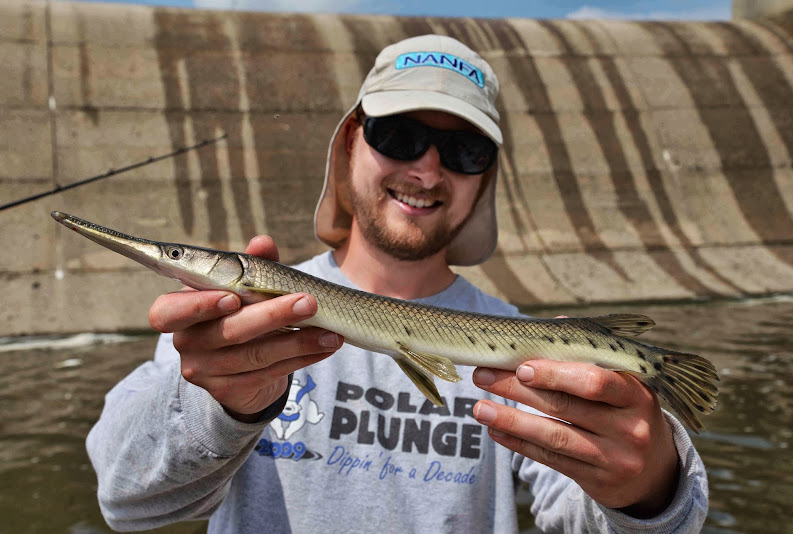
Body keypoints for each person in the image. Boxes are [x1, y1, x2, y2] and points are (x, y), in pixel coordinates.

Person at [86, 35, 708, 533]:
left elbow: (586, 522)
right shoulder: (223, 329)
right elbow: (127, 502)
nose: (428, 168)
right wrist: (218, 406)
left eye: (463, 151)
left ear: (483, 179)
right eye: (401, 137)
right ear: (353, 142)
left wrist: (649, 489)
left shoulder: (525, 355)